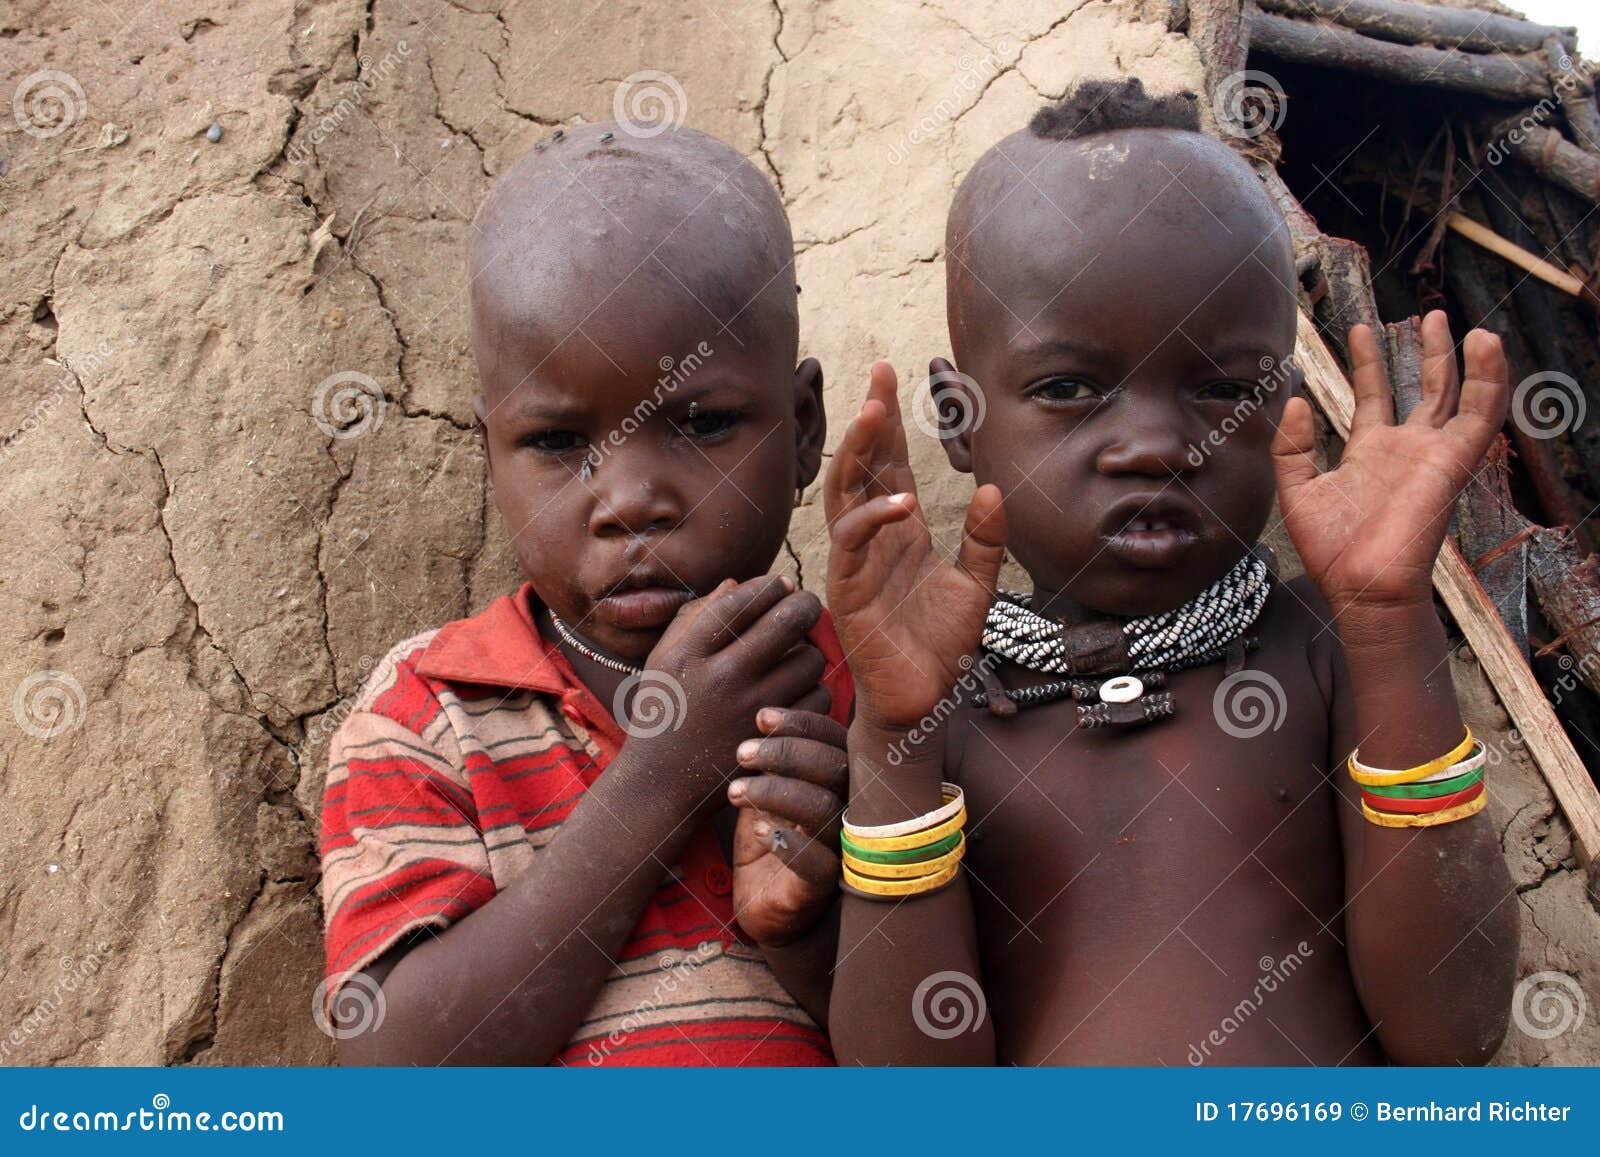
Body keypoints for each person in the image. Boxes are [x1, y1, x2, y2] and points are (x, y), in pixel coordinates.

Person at [822, 79, 1519, 1065]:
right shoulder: (944, 705)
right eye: (1069, 387)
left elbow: (1454, 1032)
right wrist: (893, 739)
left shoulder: (1328, 646)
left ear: (1284, 405)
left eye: (1221, 389)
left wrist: (1388, 614)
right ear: (959, 417)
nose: (1156, 444)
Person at [317, 123, 850, 1065]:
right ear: (492, 452)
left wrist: (806, 932)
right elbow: (395, 1071)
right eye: (560, 444)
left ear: (803, 429)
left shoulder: (876, 700)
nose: (631, 501)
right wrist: (662, 777)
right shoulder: (435, 709)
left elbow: (948, 1064)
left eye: (704, 422)